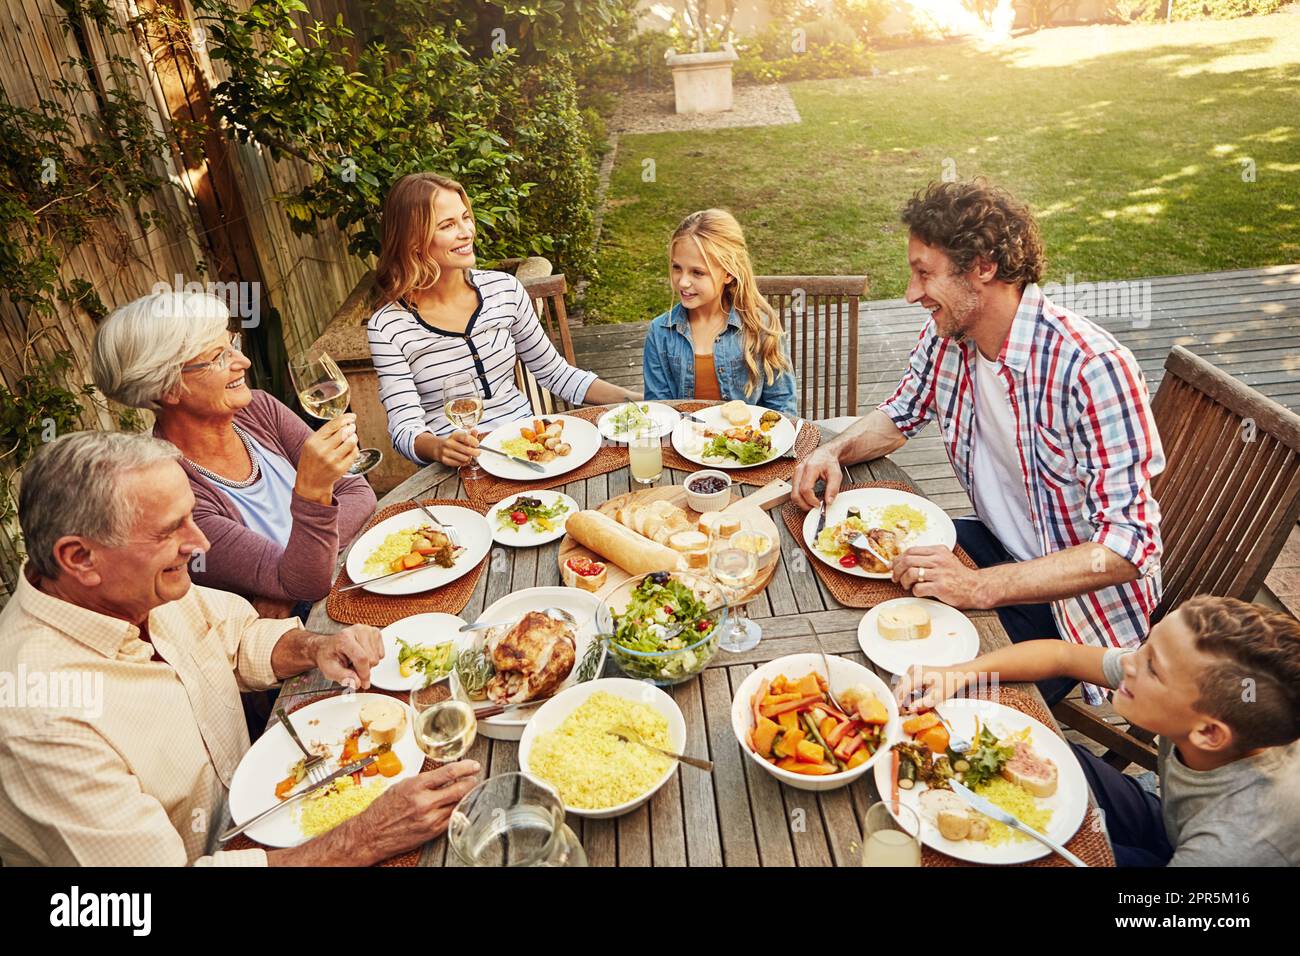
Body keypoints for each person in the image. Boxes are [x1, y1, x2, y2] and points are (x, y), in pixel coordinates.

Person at [0, 431, 479, 866]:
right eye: (171, 529)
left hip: (270, 817)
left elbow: (238, 638)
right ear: (79, 558)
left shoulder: (133, 588)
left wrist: (316, 645)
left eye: (192, 515)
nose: (200, 541)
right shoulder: (39, 717)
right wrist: (366, 838)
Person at [793, 180, 1164, 705]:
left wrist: (979, 587)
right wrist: (833, 450)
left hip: (1071, 611)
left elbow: (1131, 546)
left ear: (982, 267)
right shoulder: (952, 332)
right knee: (854, 591)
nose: (911, 293)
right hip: (987, 548)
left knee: (905, 690)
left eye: (925, 273)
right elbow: (900, 414)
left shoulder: (1092, 370)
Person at [894, 595, 1300, 867]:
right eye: (1146, 645)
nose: (1130, 662)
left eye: (1153, 668)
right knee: (1055, 754)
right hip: (1170, 822)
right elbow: (1062, 654)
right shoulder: (1198, 690)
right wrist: (957, 674)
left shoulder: (1234, 845)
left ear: (1210, 734)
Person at [92, 291, 376, 620]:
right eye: (218, 357)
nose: (243, 362)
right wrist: (313, 493)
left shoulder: (259, 410)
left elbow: (357, 491)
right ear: (168, 387)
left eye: (233, 345)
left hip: (351, 582)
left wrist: (290, 574)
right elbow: (306, 583)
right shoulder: (171, 489)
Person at [368, 172, 639, 469]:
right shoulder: (388, 327)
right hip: (456, 469)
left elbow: (556, 374)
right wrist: (437, 447)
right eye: (447, 225)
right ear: (413, 241)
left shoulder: (505, 290)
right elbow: (404, 427)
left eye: (465, 218)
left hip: (528, 451)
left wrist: (637, 399)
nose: (466, 231)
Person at [642, 209, 797, 415]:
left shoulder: (760, 328)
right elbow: (658, 412)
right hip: (682, 445)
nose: (683, 281)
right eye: (677, 268)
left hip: (750, 444)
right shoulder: (660, 333)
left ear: (728, 274)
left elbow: (782, 407)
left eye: (697, 272)